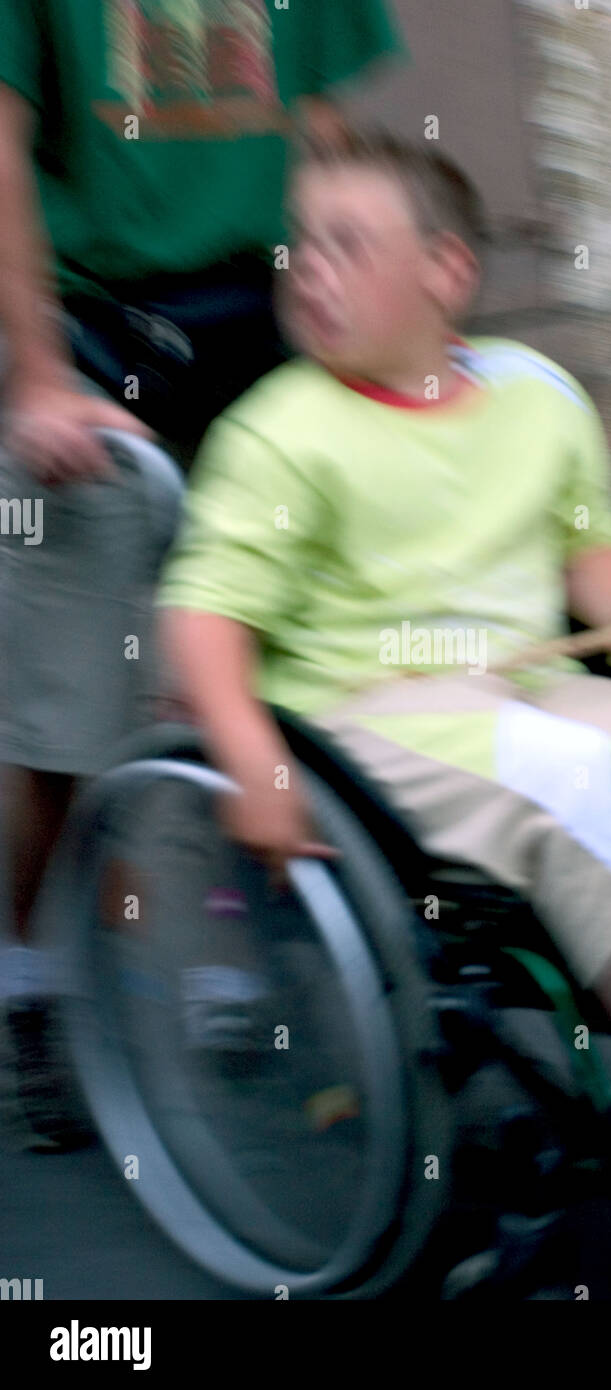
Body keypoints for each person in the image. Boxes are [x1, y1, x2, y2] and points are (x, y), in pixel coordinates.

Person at [157, 131, 611, 1260]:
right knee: (572, 788)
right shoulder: (277, 434)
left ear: (446, 273)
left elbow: (591, 552)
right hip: (367, 718)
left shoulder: (538, 400)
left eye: (345, 245)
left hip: (531, 688)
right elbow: (202, 616)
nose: (305, 269)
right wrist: (253, 762)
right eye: (299, 248)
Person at [0, 0, 404, 1148]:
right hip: (89, 323)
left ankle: (244, 957)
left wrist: (376, 326)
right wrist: (32, 370)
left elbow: (324, 140)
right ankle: (35, 975)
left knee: (263, 676)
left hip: (258, 323)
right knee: (68, 710)